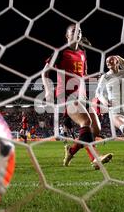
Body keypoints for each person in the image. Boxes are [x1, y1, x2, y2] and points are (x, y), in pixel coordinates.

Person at [41, 24, 113, 170]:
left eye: (80, 31)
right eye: (74, 31)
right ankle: (95, 158)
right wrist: (48, 91)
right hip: (65, 95)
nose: (78, 33)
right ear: (67, 35)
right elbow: (45, 72)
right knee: (85, 121)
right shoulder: (60, 52)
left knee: (96, 129)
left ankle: (71, 151)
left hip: (81, 96)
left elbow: (82, 76)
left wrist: (94, 77)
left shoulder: (82, 53)